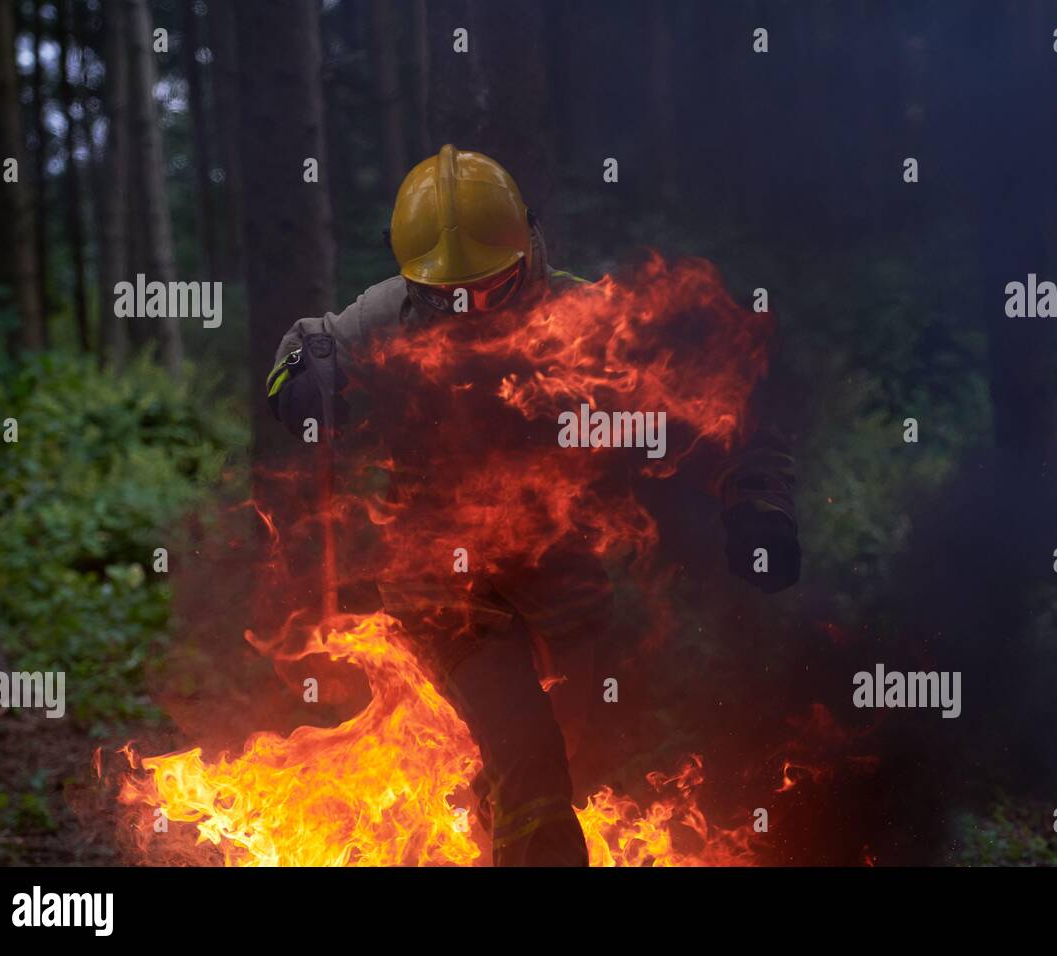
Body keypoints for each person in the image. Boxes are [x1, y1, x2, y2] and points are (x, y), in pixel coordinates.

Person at [265, 145, 800, 865]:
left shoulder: (591, 323)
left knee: (538, 766)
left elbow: (719, 413)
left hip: (564, 589)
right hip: (442, 591)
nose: (474, 309)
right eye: (451, 296)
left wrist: (756, 499)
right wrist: (301, 372)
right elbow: (304, 351)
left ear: (531, 247)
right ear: (417, 281)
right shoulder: (386, 315)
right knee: (530, 756)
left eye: (493, 287)